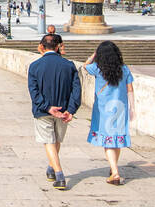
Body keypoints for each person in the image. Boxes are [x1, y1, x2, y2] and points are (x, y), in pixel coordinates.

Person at [27, 33, 82, 191]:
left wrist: (48, 107)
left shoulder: (35, 66)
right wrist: (71, 109)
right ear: (58, 46)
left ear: (42, 47)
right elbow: (76, 90)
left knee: (49, 141)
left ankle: (58, 174)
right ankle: (51, 168)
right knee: (56, 140)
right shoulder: (69, 65)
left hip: (43, 111)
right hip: (63, 109)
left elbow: (34, 92)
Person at [84, 42, 136, 185]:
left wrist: (93, 55)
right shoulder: (124, 69)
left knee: (108, 140)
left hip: (103, 109)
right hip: (120, 108)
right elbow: (130, 89)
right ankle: (114, 168)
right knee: (116, 139)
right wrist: (132, 108)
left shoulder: (97, 68)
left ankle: (115, 172)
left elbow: (84, 66)